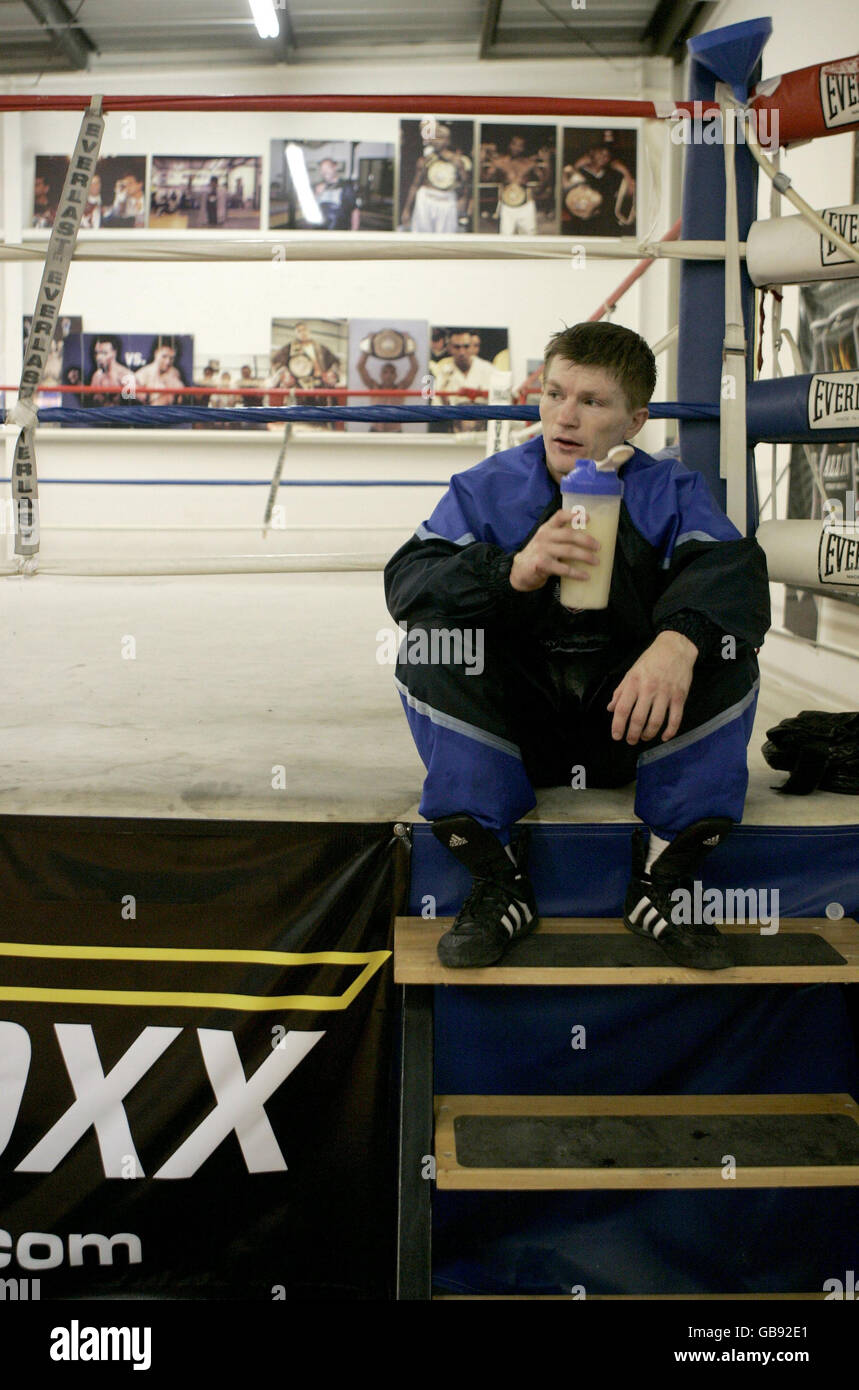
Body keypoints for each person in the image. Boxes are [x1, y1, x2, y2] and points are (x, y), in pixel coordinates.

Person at [384, 321, 770, 971]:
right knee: (432, 647)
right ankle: (495, 879)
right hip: (516, 730)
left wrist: (678, 643)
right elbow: (408, 585)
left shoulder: (670, 490)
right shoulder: (488, 488)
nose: (564, 417)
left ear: (634, 420)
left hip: (629, 724)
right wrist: (508, 573)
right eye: (554, 393)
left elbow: (732, 576)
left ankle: (665, 881)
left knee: (727, 653)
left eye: (591, 402)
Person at [401, 122, 470, 235]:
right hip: (425, 200)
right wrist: (407, 209)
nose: (437, 141)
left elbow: (465, 184)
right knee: (422, 238)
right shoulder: (424, 161)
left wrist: (464, 201)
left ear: (448, 141)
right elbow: (415, 185)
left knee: (446, 240)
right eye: (435, 138)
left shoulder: (457, 161)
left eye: (441, 138)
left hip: (447, 202)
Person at [431, 328, 495, 433]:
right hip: (453, 432)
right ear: (449, 348)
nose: (462, 352)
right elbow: (436, 408)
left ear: (473, 347)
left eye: (466, 346)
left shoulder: (488, 370)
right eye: (457, 347)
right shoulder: (443, 373)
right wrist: (444, 402)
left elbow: (500, 402)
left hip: (484, 431)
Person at [481, 133, 542, 235]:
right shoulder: (499, 162)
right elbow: (485, 178)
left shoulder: (529, 163)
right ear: (509, 145)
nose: (516, 148)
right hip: (507, 206)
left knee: (530, 239)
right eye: (514, 144)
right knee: (505, 238)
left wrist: (548, 163)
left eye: (520, 145)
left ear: (524, 148)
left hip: (526, 205)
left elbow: (544, 181)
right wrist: (481, 161)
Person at [357, 347, 419, 433]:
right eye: (385, 372)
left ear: (396, 375)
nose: (388, 375)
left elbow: (414, 368)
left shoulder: (401, 388)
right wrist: (367, 347)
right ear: (381, 375)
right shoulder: (374, 387)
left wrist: (408, 347)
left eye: (392, 372)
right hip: (375, 431)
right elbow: (360, 367)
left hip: (395, 431)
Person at [312, 157, 360, 231]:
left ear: (335, 168)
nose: (324, 172)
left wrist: (354, 232)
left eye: (327, 168)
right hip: (320, 232)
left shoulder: (345, 186)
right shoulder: (318, 186)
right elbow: (311, 209)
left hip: (339, 232)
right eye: (322, 169)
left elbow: (354, 211)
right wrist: (316, 194)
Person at [134, 338, 185, 405]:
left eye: (171, 358)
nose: (168, 362)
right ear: (156, 354)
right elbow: (135, 400)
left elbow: (180, 400)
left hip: (170, 412)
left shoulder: (175, 372)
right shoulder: (143, 374)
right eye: (164, 356)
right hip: (151, 413)